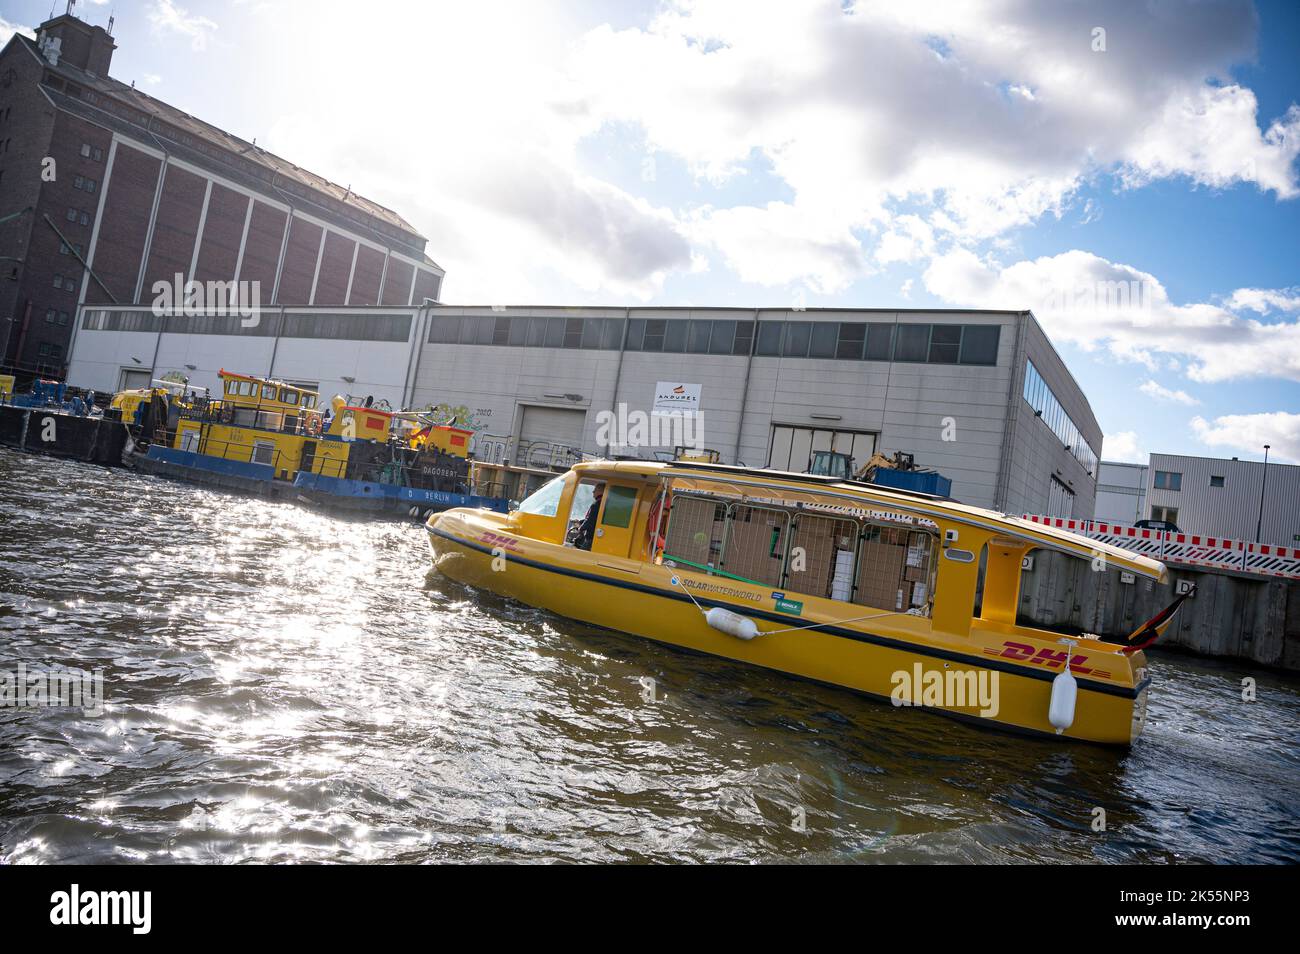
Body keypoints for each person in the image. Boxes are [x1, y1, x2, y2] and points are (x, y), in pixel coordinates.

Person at [574, 484, 604, 550]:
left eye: (595, 490)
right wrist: (580, 522)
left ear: (601, 491)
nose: (593, 492)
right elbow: (594, 517)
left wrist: (580, 528)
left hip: (591, 538)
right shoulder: (603, 503)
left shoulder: (596, 504)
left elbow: (590, 520)